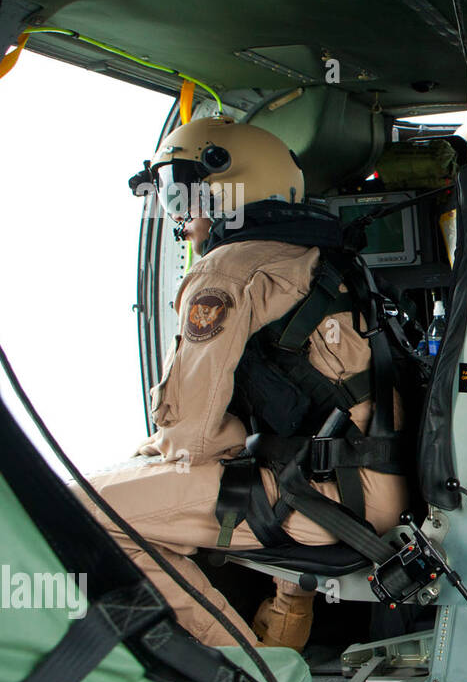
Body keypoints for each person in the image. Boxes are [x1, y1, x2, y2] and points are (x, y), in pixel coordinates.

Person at [80, 117, 410, 650]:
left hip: (333, 499)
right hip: (372, 483)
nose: (179, 220)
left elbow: (191, 439)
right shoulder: (320, 260)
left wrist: (155, 458)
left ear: (229, 187)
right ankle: (281, 636)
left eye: (180, 196)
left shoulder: (228, 270)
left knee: (82, 514)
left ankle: (246, 678)